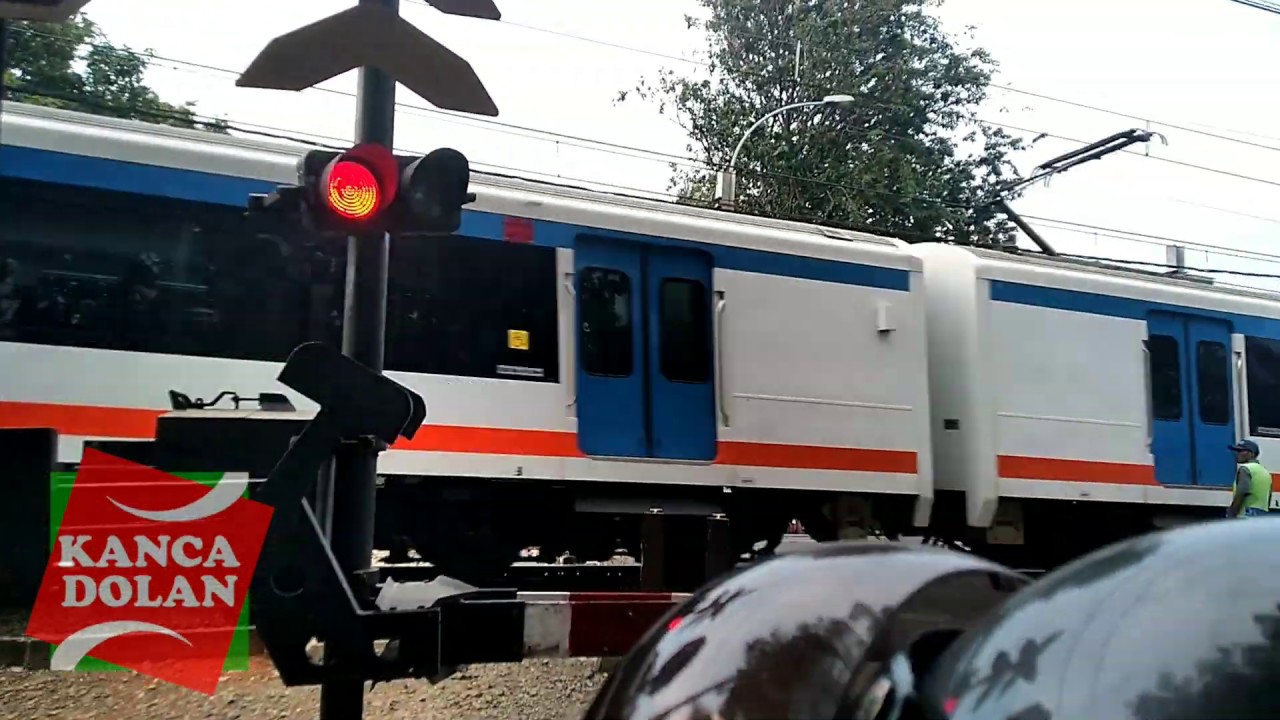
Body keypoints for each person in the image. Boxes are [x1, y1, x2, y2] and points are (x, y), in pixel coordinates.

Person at [1227, 439, 1272, 518]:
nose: (1237, 454)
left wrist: (1232, 512)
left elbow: (1242, 491)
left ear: (1251, 454)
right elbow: (1269, 496)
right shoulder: (1265, 472)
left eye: (1240, 451)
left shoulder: (1245, 469)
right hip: (1262, 515)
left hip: (1246, 514)